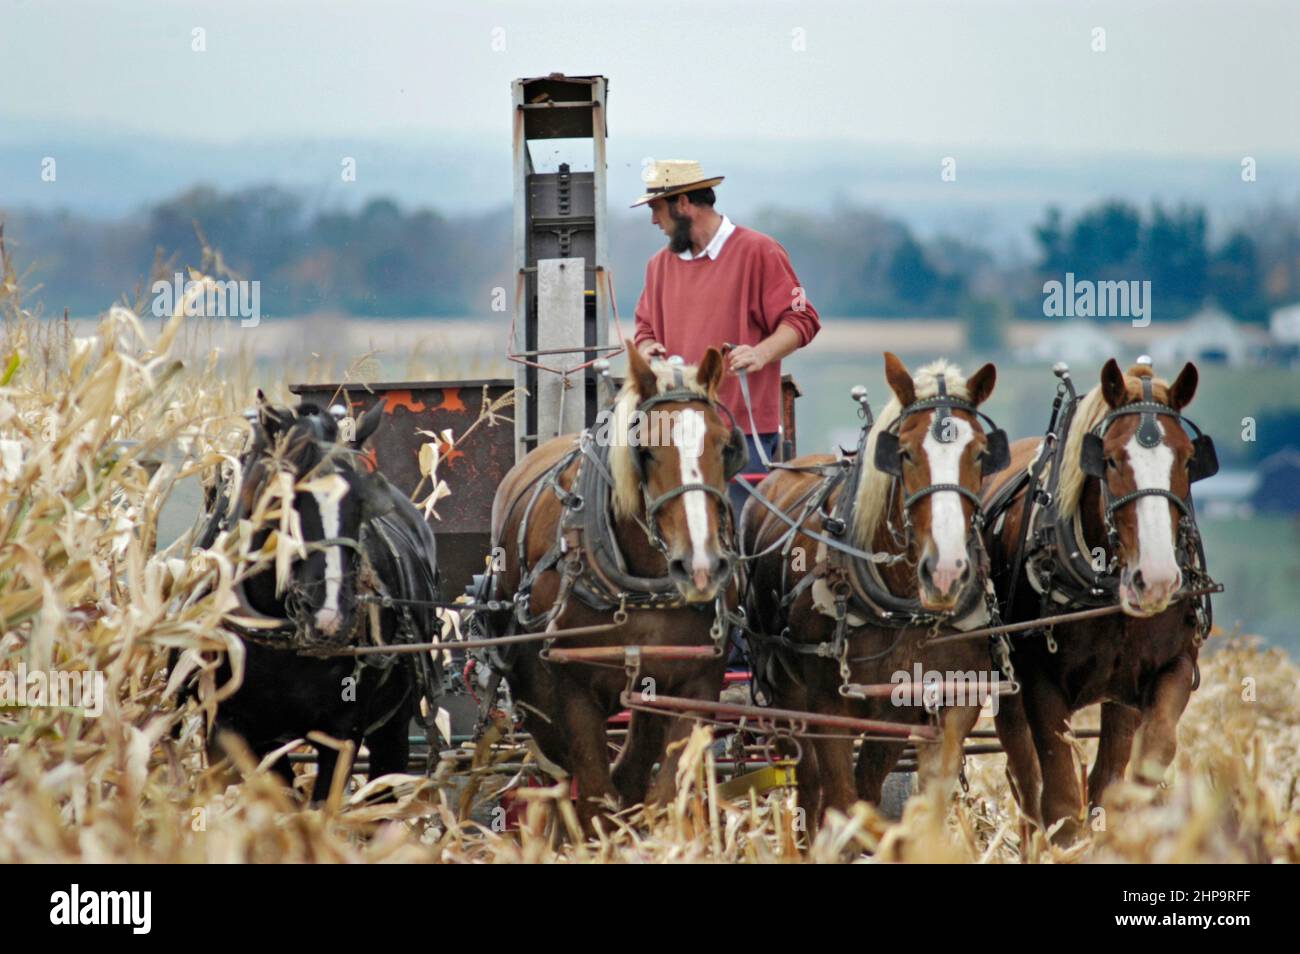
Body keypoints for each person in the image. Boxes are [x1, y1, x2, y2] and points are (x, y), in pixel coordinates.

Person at [632, 159, 821, 515]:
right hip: (669, 436)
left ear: (684, 203)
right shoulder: (657, 265)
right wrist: (647, 348)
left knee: (742, 543)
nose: (654, 220)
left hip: (738, 434)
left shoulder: (760, 251)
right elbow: (644, 329)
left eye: (657, 209)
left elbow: (802, 317)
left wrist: (761, 353)